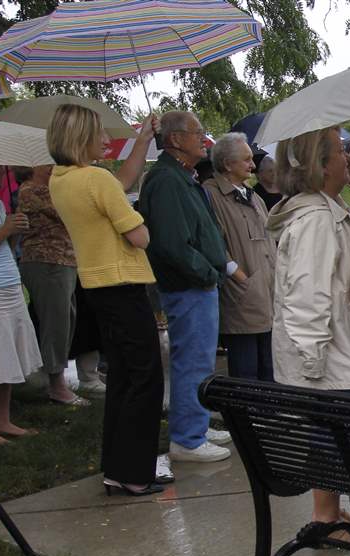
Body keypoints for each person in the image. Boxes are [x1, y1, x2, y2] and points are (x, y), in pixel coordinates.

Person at [268, 125, 350, 541]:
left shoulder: (326, 210)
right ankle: (325, 518)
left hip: (335, 352)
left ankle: (333, 510)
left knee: (336, 433)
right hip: (328, 358)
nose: (346, 158)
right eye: (338, 151)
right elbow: (307, 296)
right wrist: (313, 364)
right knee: (330, 433)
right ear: (318, 165)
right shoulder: (317, 219)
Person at [46, 104, 167, 493]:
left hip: (97, 286)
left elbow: (120, 181)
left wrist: (143, 140)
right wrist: (136, 217)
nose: (106, 139)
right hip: (124, 284)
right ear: (80, 137)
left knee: (122, 378)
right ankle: (136, 475)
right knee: (145, 378)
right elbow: (140, 237)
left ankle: (118, 469)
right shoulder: (95, 179)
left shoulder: (62, 179)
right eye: (99, 133)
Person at [139, 111, 232, 463]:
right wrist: (206, 273)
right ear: (175, 139)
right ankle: (188, 438)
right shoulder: (166, 180)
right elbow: (171, 243)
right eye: (197, 132)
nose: (203, 139)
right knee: (191, 359)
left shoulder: (180, 176)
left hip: (196, 282)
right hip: (187, 284)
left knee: (200, 359)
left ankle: (196, 423)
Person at [204, 133, 277, 382]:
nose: (252, 165)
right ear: (227, 164)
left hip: (266, 295)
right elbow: (212, 242)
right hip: (241, 298)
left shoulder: (254, 196)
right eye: (246, 159)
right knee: (246, 373)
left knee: (270, 370)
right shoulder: (210, 195)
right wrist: (238, 274)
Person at [14, 164, 88, 406]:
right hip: (47, 262)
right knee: (56, 323)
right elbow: (71, 211)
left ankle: (53, 378)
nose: (54, 167)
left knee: (65, 319)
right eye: (48, 163)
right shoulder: (33, 191)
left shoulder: (47, 189)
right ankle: (56, 385)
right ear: (31, 167)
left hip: (61, 262)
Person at [0, 165, 40, 447]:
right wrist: (4, 231)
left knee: (6, 354)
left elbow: (5, 249)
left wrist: (13, 232)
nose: (3, 170)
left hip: (9, 283)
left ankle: (2, 419)